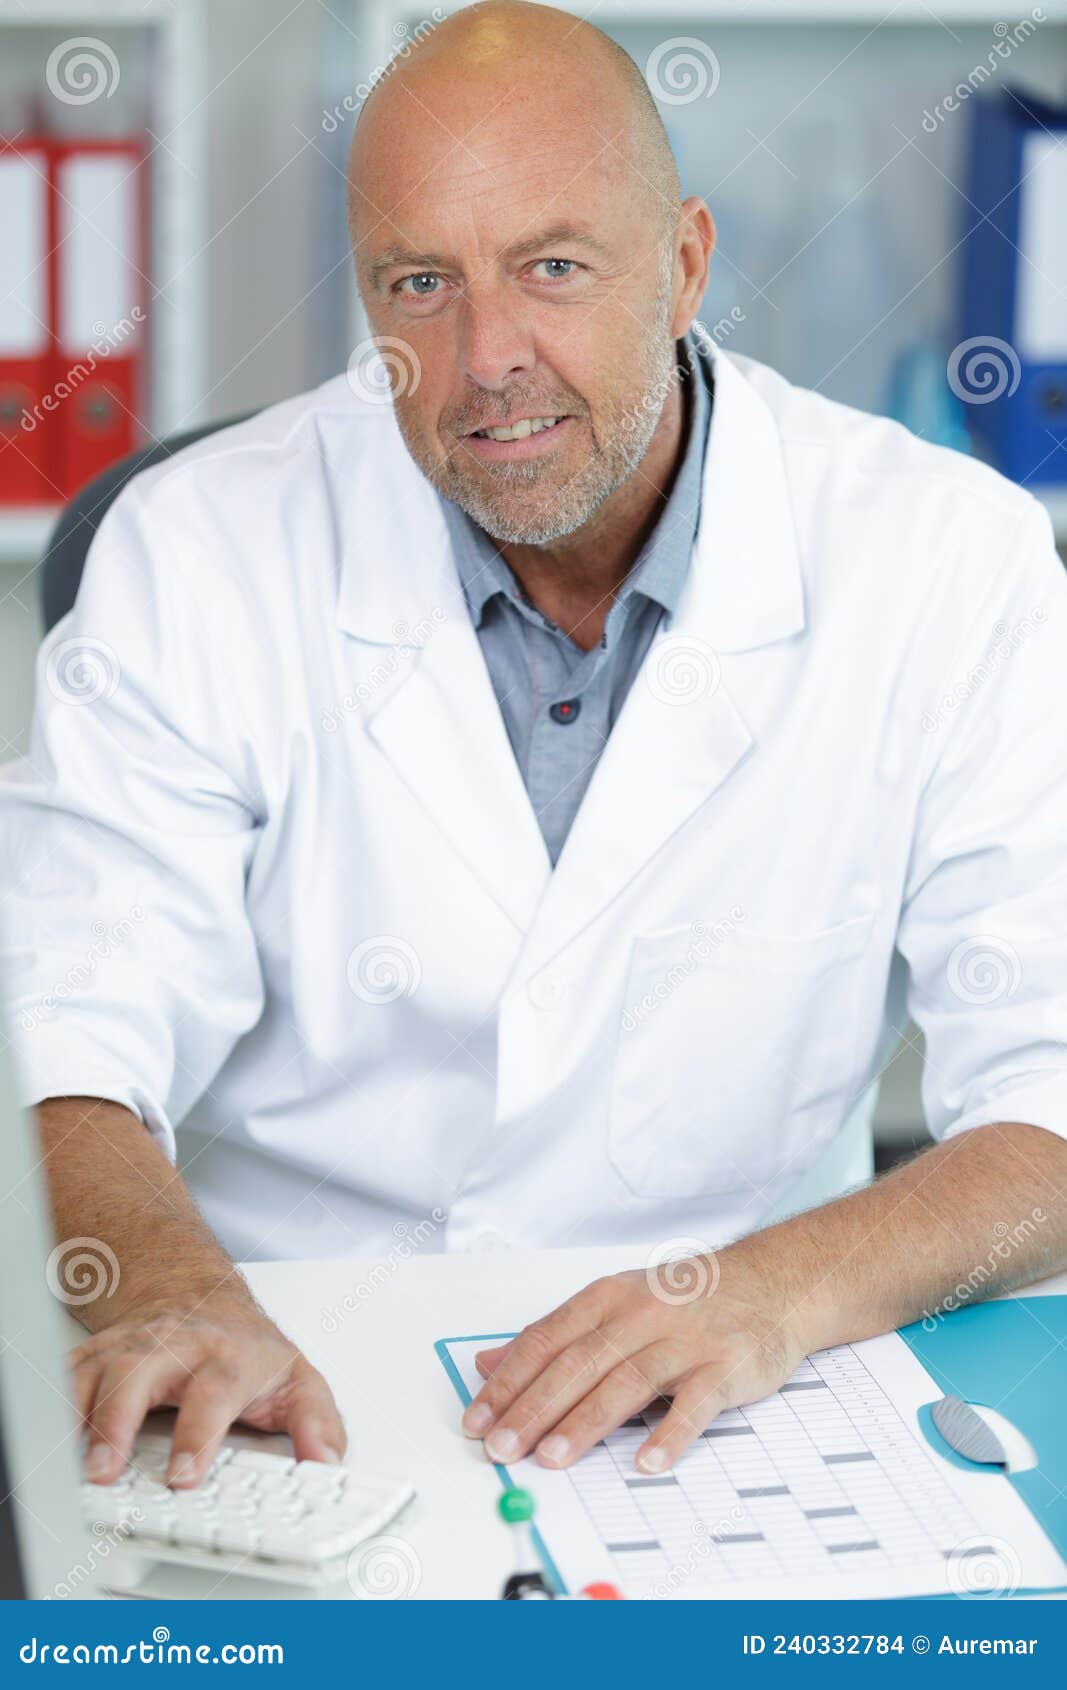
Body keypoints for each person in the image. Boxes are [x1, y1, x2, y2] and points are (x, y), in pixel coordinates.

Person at [2, 1, 1066, 1491]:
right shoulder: (201, 550)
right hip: (280, 1386)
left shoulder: (954, 560)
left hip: (752, 1391)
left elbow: (1052, 1111)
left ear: (687, 264)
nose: (484, 357)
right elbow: (60, 1037)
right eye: (418, 282)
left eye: (554, 269)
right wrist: (172, 1292)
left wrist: (772, 1293)